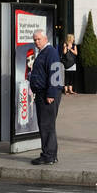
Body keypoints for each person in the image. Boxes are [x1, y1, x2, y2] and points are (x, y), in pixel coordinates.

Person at [30, 29, 62, 165]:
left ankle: (48, 155)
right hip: (42, 93)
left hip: (47, 94)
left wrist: (51, 94)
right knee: (46, 125)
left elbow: (56, 73)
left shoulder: (51, 52)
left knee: (46, 125)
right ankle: (50, 154)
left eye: (39, 39)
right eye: (35, 40)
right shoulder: (43, 52)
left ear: (45, 38)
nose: (36, 42)